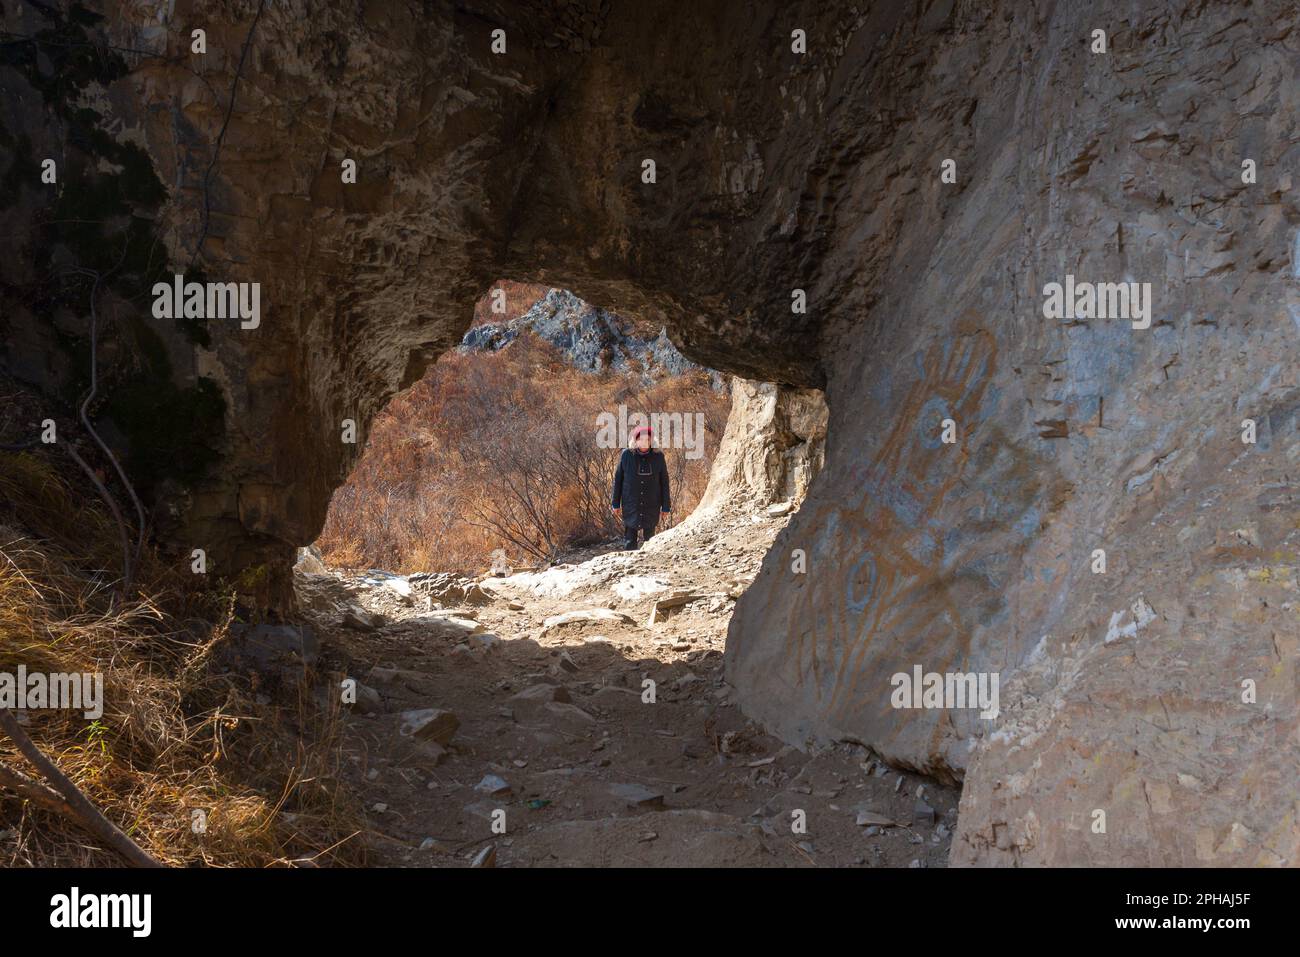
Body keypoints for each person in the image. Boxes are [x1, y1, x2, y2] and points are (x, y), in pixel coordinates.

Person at [611, 425, 670, 550]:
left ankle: (650, 559)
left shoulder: (658, 456)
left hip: (652, 503)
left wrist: (666, 506)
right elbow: (618, 480)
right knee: (629, 540)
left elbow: (664, 482)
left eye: (647, 439)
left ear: (651, 441)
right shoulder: (626, 455)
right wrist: (615, 503)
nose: (644, 442)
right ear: (635, 440)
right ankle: (629, 558)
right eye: (641, 439)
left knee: (650, 540)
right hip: (631, 503)